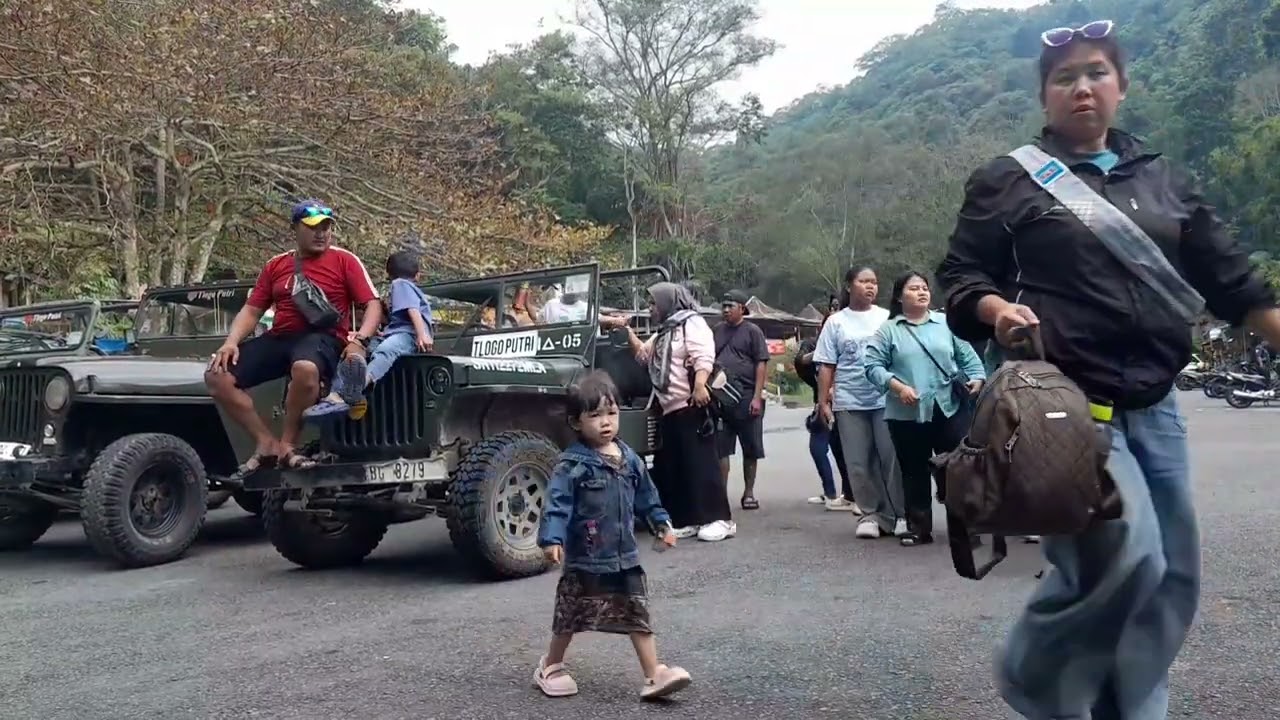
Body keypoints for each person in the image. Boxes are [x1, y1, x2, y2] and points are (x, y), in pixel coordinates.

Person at [935, 20, 1280, 720]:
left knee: (1174, 578)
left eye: (1095, 72)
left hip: (1157, 403)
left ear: (1122, 85)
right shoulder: (1008, 179)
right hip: (1061, 407)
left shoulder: (1163, 179)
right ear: (1045, 95)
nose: (1081, 87)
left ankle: (1132, 708)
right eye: (1064, 77)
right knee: (1128, 557)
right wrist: (999, 310)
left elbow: (1233, 283)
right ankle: (1039, 683)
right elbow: (961, 278)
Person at [534, 371, 692, 701]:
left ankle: (653, 674)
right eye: (595, 415)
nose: (605, 422)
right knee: (570, 616)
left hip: (625, 557)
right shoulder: (572, 465)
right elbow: (558, 505)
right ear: (576, 422)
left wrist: (661, 523)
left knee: (637, 612)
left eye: (612, 413)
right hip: (586, 558)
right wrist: (552, 539)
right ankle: (550, 665)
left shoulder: (629, 457)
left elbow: (647, 496)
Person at [205, 199, 381, 471]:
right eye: (313, 227)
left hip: (323, 338)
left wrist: (360, 340)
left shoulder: (345, 260)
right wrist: (230, 343)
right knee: (218, 375)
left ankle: (288, 445)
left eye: (326, 226)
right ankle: (266, 443)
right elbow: (252, 311)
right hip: (281, 337)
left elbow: (373, 304)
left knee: (305, 367)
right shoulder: (276, 265)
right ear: (295, 229)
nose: (321, 233)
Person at [863, 271, 985, 547]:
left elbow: (969, 359)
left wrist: (977, 379)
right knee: (913, 470)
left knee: (956, 469)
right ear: (899, 296)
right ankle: (919, 528)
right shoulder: (889, 330)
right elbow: (871, 367)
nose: (922, 292)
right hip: (906, 413)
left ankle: (964, 528)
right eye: (914, 288)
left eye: (925, 288)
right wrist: (898, 388)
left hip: (949, 409)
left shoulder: (946, 323)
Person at [620, 282, 735, 542]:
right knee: (678, 466)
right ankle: (690, 519)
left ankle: (720, 519)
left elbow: (702, 355)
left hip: (691, 403)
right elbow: (643, 356)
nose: (651, 309)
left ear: (667, 302)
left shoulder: (690, 323)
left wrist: (699, 385)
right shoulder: (664, 331)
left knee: (702, 463)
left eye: (653, 303)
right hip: (669, 408)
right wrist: (626, 330)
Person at [814, 266, 905, 539]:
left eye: (874, 282)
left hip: (885, 399)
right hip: (850, 401)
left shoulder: (887, 318)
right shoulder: (836, 322)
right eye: (864, 281)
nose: (871, 287)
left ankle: (900, 514)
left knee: (890, 458)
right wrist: (823, 402)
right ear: (849, 286)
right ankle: (870, 514)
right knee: (858, 461)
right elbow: (826, 365)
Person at [306, 250, 434, 419]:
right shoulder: (410, 288)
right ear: (417, 276)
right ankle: (337, 394)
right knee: (359, 351)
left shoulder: (400, 284)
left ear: (388, 274)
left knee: (385, 351)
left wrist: (421, 334)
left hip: (408, 334)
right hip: (398, 333)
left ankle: (353, 387)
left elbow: (413, 310)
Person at [712, 290, 770, 510]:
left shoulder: (752, 331)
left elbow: (761, 364)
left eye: (731, 306)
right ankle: (721, 496)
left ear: (741, 308)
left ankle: (748, 493)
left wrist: (757, 397)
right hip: (721, 395)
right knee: (721, 448)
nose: (726, 310)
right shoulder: (717, 331)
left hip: (747, 396)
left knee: (750, 447)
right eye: (723, 306)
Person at [794, 309, 855, 510]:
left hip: (845, 404)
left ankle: (850, 495)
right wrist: (824, 348)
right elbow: (800, 361)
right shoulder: (812, 344)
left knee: (843, 453)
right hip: (821, 404)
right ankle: (829, 492)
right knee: (818, 449)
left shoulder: (850, 345)